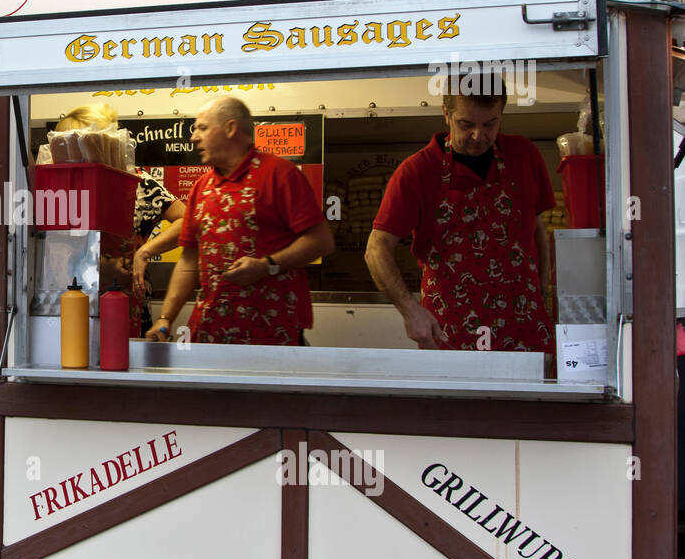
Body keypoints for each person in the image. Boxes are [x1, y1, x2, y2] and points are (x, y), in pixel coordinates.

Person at [365, 71, 554, 352]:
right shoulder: (418, 171)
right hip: (449, 330)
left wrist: (544, 294)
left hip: (523, 325)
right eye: (465, 124)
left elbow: (538, 228)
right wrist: (410, 310)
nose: (478, 136)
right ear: (446, 113)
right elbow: (376, 249)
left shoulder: (524, 155)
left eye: (491, 124)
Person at [145, 96, 334, 345]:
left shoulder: (279, 173)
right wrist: (166, 319)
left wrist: (267, 265)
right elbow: (189, 258)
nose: (193, 137)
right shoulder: (201, 187)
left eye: (202, 128)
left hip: (271, 331)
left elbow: (321, 241)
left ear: (230, 128)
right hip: (212, 328)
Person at [53, 103, 186, 336]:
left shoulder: (138, 182)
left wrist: (144, 252)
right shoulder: (64, 185)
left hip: (125, 299)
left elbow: (187, 219)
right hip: (71, 296)